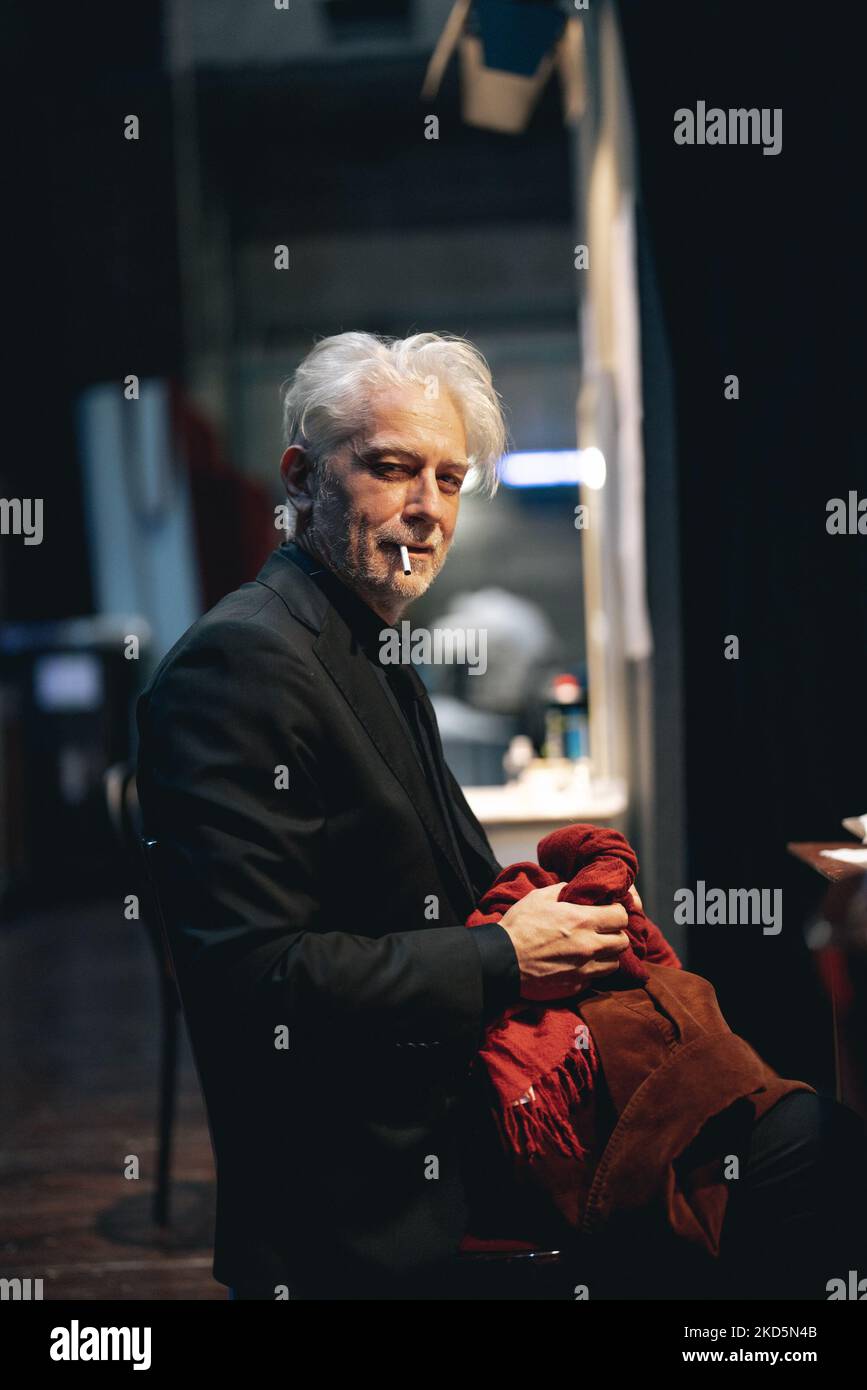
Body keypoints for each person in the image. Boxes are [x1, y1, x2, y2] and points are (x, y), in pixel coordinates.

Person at [136, 331, 866, 1301]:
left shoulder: (363, 642)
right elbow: (251, 983)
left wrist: (561, 907)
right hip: (386, 1181)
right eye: (393, 468)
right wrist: (506, 957)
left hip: (467, 1112)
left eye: (448, 477)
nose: (427, 508)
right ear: (301, 478)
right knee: (818, 1163)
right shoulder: (239, 665)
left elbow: (435, 891)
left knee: (801, 1138)